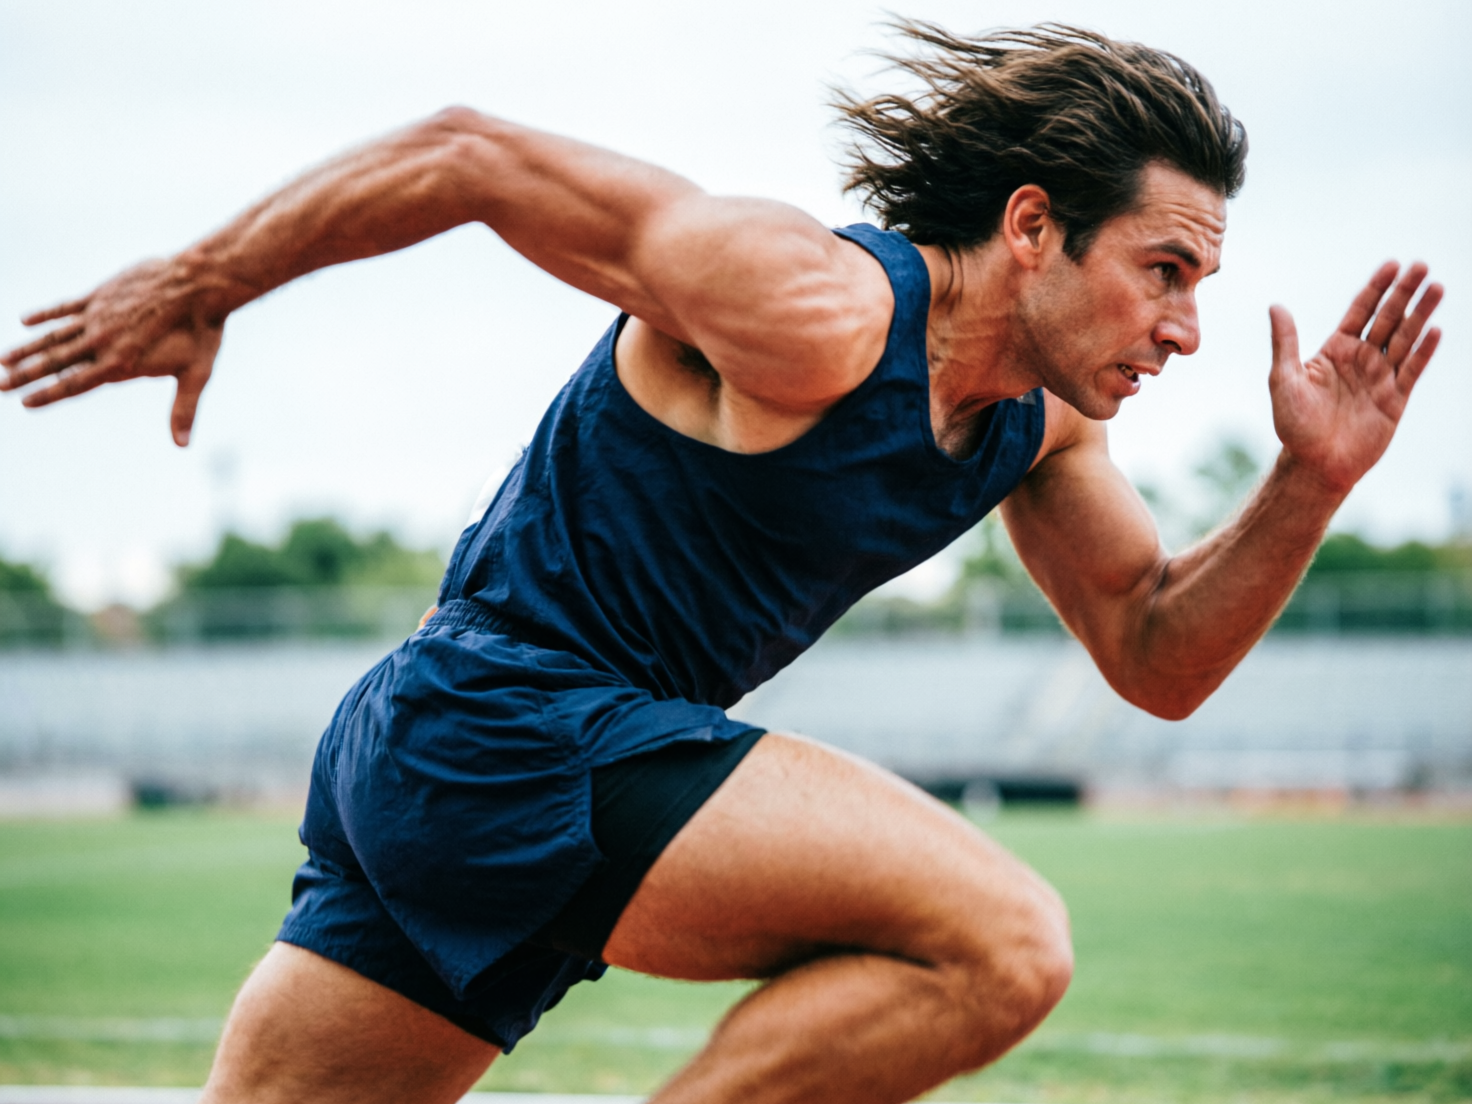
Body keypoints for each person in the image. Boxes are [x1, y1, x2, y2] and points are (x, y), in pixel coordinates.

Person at [0, 20, 1442, 1104]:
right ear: (1030, 228)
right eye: (1163, 271)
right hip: (509, 724)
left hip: (478, 772)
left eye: (1201, 286)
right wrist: (198, 284)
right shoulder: (818, 309)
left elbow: (1156, 652)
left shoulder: (1042, 430)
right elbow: (469, 154)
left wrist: (1310, 481)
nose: (1185, 329)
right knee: (1004, 943)